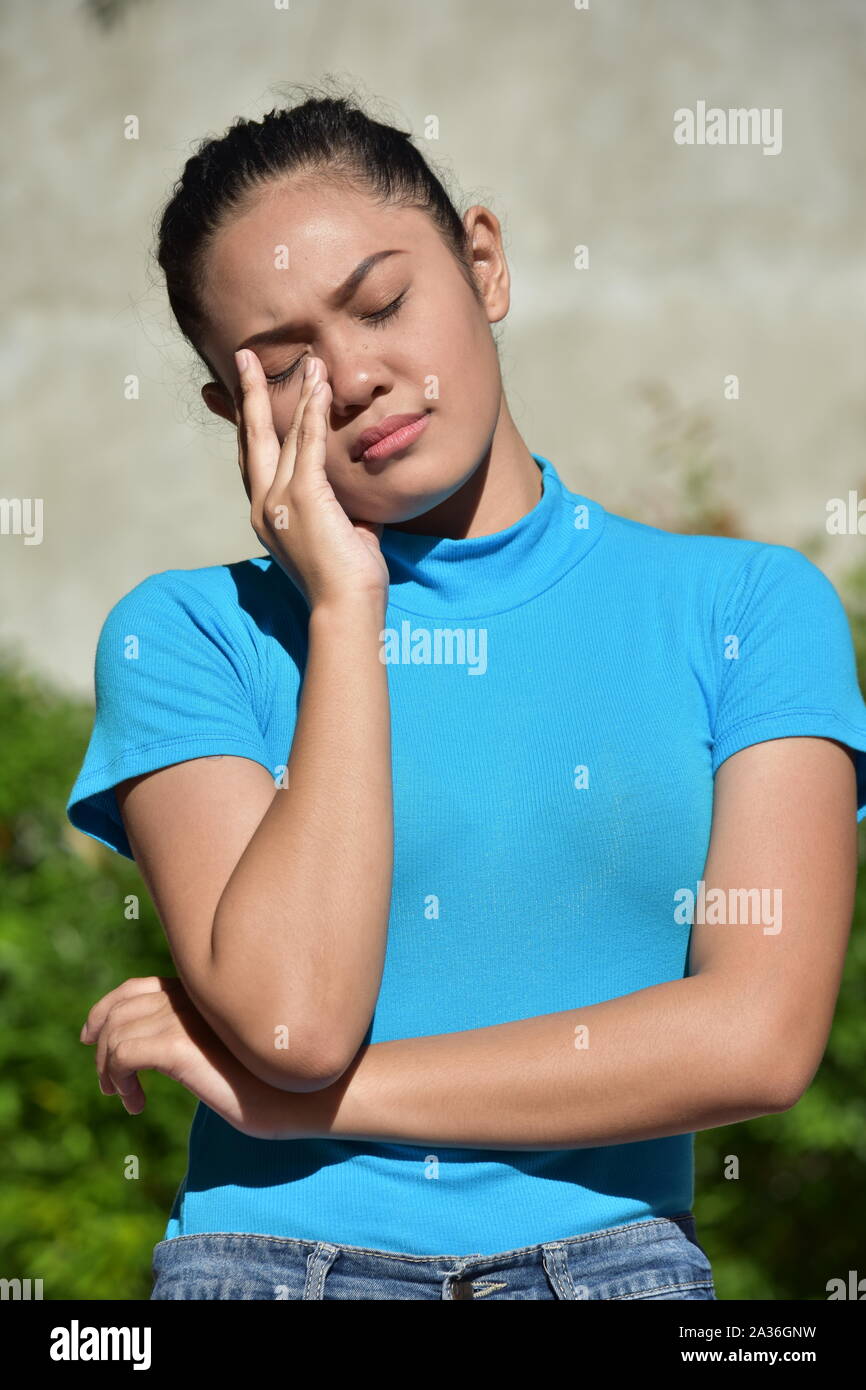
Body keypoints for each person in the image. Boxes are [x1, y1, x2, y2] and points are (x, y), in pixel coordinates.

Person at [67, 85, 866, 1301]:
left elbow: (754, 1038)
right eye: (287, 370)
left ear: (481, 261)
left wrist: (307, 1113)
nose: (358, 378)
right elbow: (292, 1024)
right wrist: (344, 610)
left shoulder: (747, 610)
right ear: (235, 415)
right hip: (268, 1270)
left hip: (615, 1271)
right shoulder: (188, 637)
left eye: (382, 303)